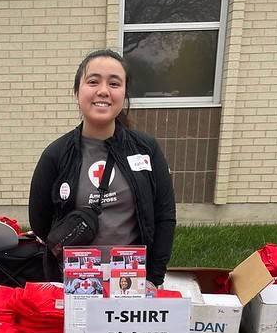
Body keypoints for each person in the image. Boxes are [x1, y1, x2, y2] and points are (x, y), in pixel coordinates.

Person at [28, 49, 176, 289]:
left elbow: (164, 216)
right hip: (74, 282)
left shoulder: (146, 149)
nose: (103, 91)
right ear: (77, 92)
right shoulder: (56, 154)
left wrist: (154, 277)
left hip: (131, 280)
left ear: (125, 93)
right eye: (93, 81)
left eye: (114, 83)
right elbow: (40, 222)